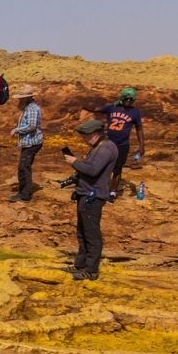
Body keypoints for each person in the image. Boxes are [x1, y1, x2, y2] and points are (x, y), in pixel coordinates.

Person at [63, 119, 118, 280]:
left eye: (85, 137)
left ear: (94, 134)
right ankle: (80, 264)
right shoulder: (98, 147)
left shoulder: (106, 148)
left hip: (93, 197)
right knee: (82, 232)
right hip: (86, 194)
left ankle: (91, 270)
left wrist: (75, 162)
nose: (84, 140)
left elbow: (93, 171)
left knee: (91, 234)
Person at [95, 87, 145, 200]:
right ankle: (99, 187)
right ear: (122, 98)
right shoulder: (112, 108)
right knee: (101, 165)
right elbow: (97, 109)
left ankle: (112, 192)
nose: (129, 101)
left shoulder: (135, 112)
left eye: (131, 100)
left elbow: (139, 129)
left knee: (117, 169)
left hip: (122, 145)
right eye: (127, 99)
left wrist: (142, 146)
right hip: (108, 143)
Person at [8, 85, 42, 202]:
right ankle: (24, 191)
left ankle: (25, 194)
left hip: (32, 142)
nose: (20, 99)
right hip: (29, 142)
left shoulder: (32, 108)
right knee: (24, 166)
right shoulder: (29, 107)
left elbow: (32, 126)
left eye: (22, 97)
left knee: (24, 167)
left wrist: (17, 130)